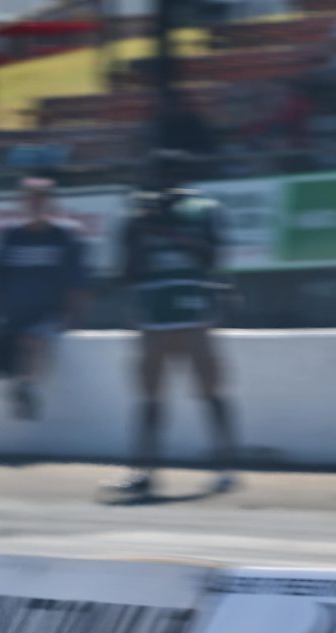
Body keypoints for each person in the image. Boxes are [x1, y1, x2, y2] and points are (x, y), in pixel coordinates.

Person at [109, 167, 237, 499]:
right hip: (155, 310)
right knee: (151, 393)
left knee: (208, 386)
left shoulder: (204, 210)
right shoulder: (137, 216)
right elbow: (125, 271)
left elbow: (213, 257)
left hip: (192, 307)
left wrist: (171, 232)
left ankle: (226, 465)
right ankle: (144, 470)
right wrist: (141, 230)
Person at [0, 177, 87, 456]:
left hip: (47, 318)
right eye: (31, 198)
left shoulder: (64, 237)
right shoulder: (9, 236)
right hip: (8, 320)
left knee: (33, 338)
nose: (36, 203)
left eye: (42, 198)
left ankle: (26, 386)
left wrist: (75, 318)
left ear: (51, 202)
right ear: (23, 202)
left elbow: (78, 283)